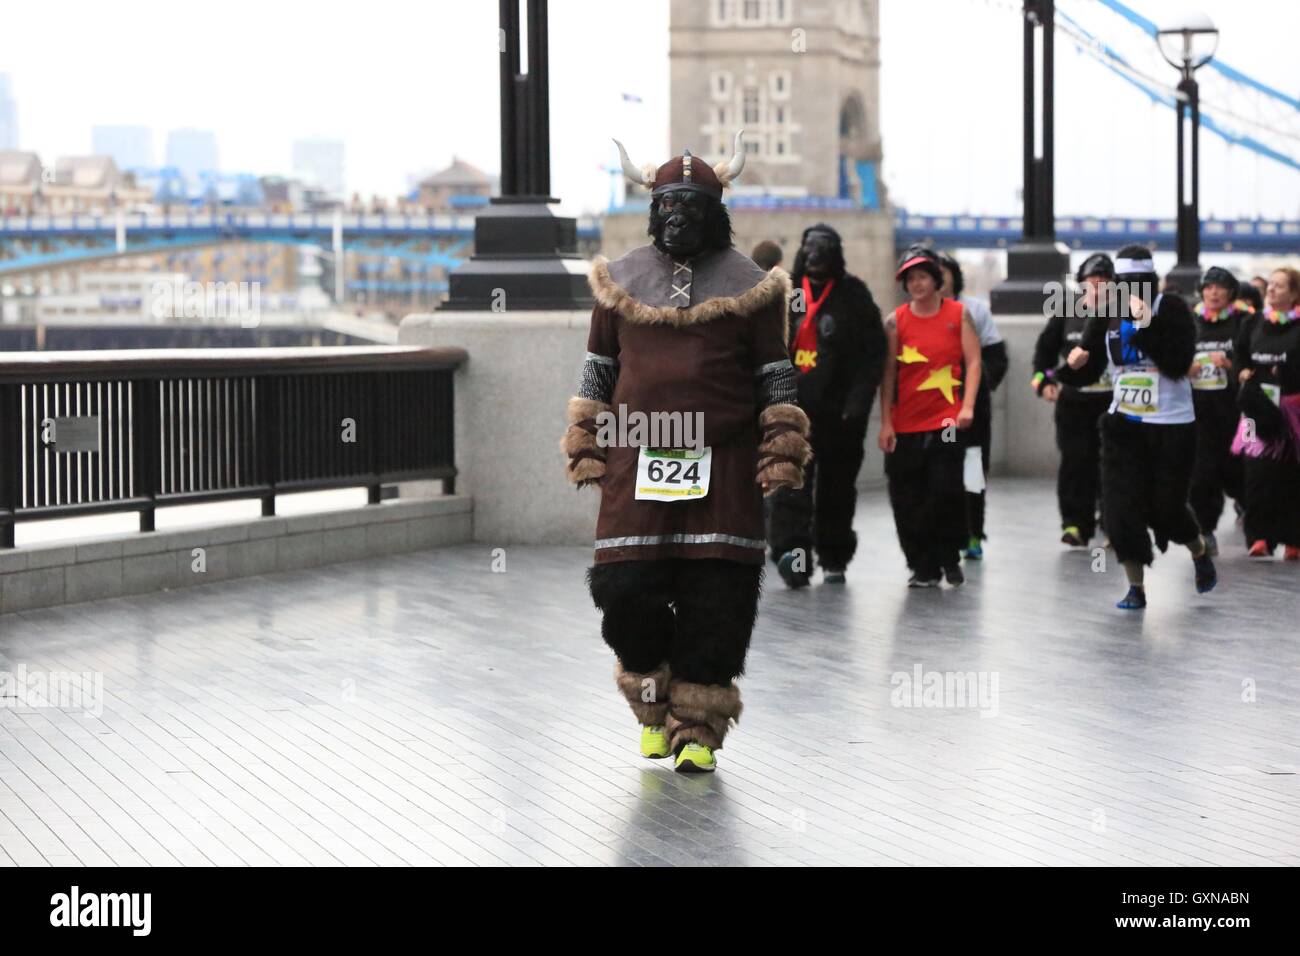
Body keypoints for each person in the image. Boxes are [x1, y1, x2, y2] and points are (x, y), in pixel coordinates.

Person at [563, 134, 811, 773]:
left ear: (714, 209)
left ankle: (696, 728)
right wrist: (586, 435)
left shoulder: (754, 289)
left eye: (692, 206)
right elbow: (599, 365)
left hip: (722, 461)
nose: (679, 215)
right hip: (636, 461)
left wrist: (782, 443)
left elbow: (773, 373)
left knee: (717, 595)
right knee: (625, 591)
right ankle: (652, 702)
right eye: (669, 204)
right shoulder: (617, 283)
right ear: (654, 206)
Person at [1058, 245, 1217, 609]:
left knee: (1166, 509)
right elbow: (1091, 365)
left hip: (1172, 426)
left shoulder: (1172, 309)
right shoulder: (1107, 313)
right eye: (1125, 283)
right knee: (1120, 509)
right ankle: (1135, 587)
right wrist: (1073, 366)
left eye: (1140, 282)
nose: (1131, 289)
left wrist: (1147, 324)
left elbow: (1178, 364)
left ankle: (1198, 550)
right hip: (1124, 424)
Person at [767, 223, 886, 587]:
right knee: (790, 489)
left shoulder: (854, 295)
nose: (815, 256)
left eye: (824, 249)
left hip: (841, 418)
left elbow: (873, 355)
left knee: (837, 490)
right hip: (793, 412)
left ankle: (834, 556)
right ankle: (795, 559)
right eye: (810, 249)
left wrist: (858, 403)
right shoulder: (785, 293)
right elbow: (763, 348)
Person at [878, 246, 982, 587]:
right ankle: (922, 565)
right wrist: (886, 422)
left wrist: (967, 406)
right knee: (907, 496)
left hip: (948, 421)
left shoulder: (958, 314)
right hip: (906, 422)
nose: (917, 283)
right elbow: (888, 375)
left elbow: (974, 362)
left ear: (936, 279)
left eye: (922, 276)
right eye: (910, 278)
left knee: (945, 488)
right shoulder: (895, 321)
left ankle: (950, 556)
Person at [1032, 253, 1115, 547]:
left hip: (1112, 404)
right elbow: (1044, 352)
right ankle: (1075, 525)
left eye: (1105, 281)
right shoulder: (1066, 313)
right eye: (1091, 280)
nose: (1097, 286)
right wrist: (1044, 381)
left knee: (1113, 465)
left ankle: (1113, 527)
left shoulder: (1122, 315)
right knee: (1076, 463)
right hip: (1074, 404)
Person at [938, 253, 1008, 560]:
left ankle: (973, 534)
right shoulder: (910, 316)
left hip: (969, 410)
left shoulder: (975, 310)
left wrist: (975, 387)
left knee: (972, 470)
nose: (933, 279)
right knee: (937, 472)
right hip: (932, 410)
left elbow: (996, 358)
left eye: (940, 273)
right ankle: (942, 536)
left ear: (953, 276)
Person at [1232, 266, 1300, 560]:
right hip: (1254, 409)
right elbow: (1240, 356)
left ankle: (1293, 539)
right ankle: (1259, 536)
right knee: (1255, 470)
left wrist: (1286, 371)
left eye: (1280, 286)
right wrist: (1243, 371)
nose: (1271, 290)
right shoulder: (1253, 322)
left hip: (1290, 410)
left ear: (1294, 293)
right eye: (1270, 284)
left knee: (1289, 473)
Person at [1188, 266, 1252, 555]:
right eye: (1208, 286)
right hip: (1200, 412)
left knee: (1238, 470)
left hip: (1236, 412)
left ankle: (1255, 518)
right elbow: (1174, 358)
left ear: (1231, 293)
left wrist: (1230, 364)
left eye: (1220, 287)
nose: (1213, 292)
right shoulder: (1191, 322)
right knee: (1202, 473)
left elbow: (1255, 362)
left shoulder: (1244, 322)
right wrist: (1185, 367)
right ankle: (1205, 529)